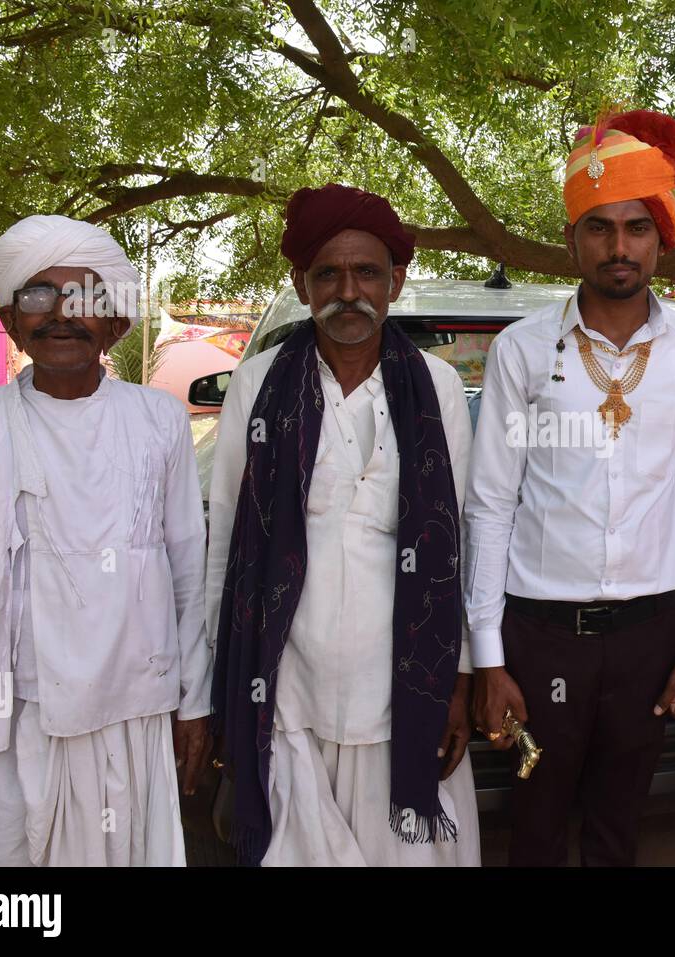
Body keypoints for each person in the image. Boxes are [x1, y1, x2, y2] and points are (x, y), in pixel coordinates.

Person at [464, 110, 675, 866]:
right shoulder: (521, 350)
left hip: (650, 635)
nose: (620, 247)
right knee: (537, 822)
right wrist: (490, 658)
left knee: (620, 826)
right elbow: (491, 505)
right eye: (600, 227)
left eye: (637, 227)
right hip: (541, 634)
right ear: (574, 238)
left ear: (661, 235)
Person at [0, 215, 210, 865]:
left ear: (115, 323)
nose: (62, 315)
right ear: (11, 321)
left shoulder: (157, 419)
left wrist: (196, 701)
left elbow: (188, 564)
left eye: (85, 298)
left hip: (128, 710)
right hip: (7, 714)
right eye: (38, 297)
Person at [206, 184, 478, 866]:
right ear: (302, 283)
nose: (347, 290)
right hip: (287, 689)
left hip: (403, 688)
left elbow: (459, 547)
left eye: (367, 273)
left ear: (395, 282)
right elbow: (228, 540)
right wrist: (224, 683)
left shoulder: (437, 388)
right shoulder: (259, 381)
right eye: (328, 272)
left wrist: (462, 677)